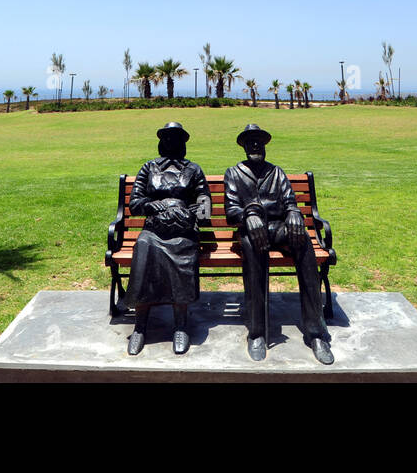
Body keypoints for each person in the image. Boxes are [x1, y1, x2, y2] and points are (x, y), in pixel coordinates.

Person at [224, 123, 333, 364]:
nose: (255, 145)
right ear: (243, 146)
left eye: (259, 141)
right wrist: (248, 214)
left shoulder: (276, 173)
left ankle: (316, 333)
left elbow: (289, 201)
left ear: (265, 145)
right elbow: (230, 211)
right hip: (251, 231)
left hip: (278, 227)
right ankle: (257, 333)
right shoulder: (233, 173)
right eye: (250, 141)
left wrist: (294, 213)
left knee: (303, 241)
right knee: (253, 250)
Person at [125, 121, 212, 355]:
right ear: (161, 142)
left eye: (176, 138)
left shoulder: (193, 169)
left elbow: (204, 198)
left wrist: (195, 212)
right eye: (167, 138)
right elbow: (135, 203)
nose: (171, 142)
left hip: (182, 231)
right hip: (154, 231)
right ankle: (140, 325)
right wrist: (156, 205)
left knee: (183, 254)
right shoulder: (149, 168)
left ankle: (181, 325)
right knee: (143, 247)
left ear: (183, 143)